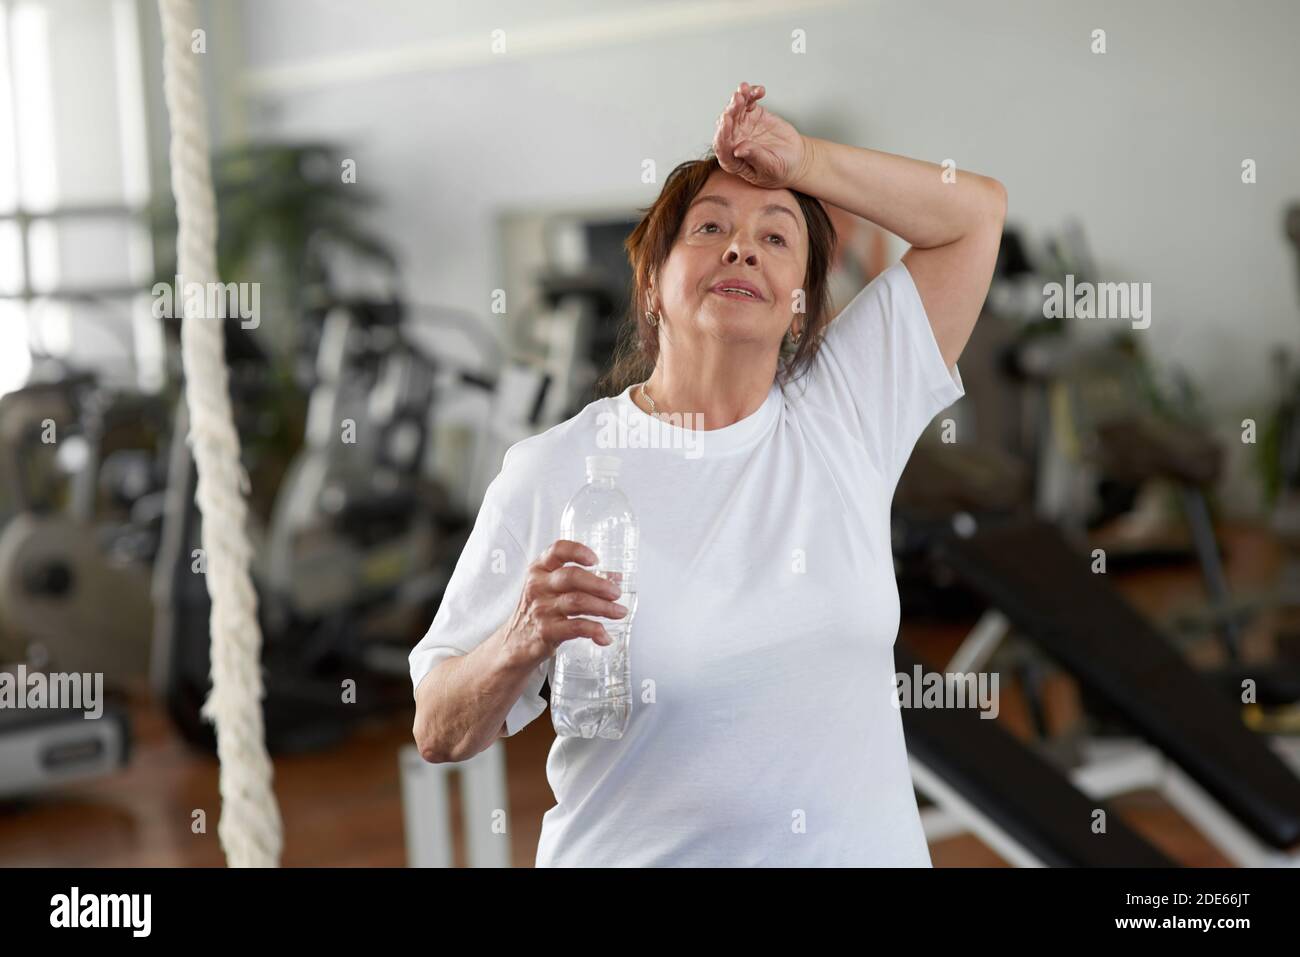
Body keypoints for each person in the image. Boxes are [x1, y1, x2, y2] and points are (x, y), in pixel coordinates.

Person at [411, 81, 1006, 866]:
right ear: (652, 285)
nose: (742, 247)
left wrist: (804, 160)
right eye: (711, 227)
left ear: (798, 304)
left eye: (776, 236)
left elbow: (974, 217)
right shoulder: (552, 471)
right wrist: (519, 640)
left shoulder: (847, 411)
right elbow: (440, 728)